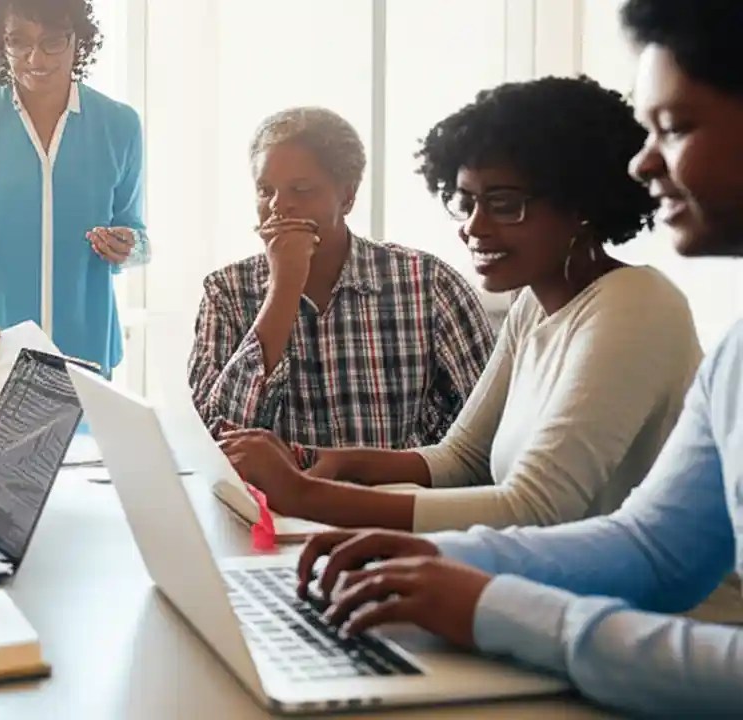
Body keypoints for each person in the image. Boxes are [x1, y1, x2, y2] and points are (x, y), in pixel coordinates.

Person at [294, 1, 743, 714]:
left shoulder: (640, 303)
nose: (643, 162)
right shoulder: (734, 355)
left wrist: (495, 606)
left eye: (678, 126)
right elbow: (655, 549)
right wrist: (436, 561)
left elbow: (539, 508)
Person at [220, 80, 703, 535]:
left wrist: (303, 494)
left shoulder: (636, 304)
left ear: (580, 205)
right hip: (554, 580)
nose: (474, 227)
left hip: (645, 596)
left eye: (504, 204)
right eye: (466, 202)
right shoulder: (533, 307)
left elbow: (534, 507)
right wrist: (324, 461)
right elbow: (463, 457)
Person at [192, 107, 495, 462]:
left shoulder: (430, 285)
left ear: (347, 196)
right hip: (265, 498)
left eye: (301, 189)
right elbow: (214, 440)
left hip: (399, 495)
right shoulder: (225, 292)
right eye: (265, 190)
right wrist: (283, 289)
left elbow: (490, 430)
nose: (278, 205)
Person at [0, 0, 148, 376]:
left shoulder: (120, 125)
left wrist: (127, 246)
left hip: (88, 353)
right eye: (18, 41)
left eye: (52, 41)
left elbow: (137, 237)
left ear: (77, 38)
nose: (35, 58)